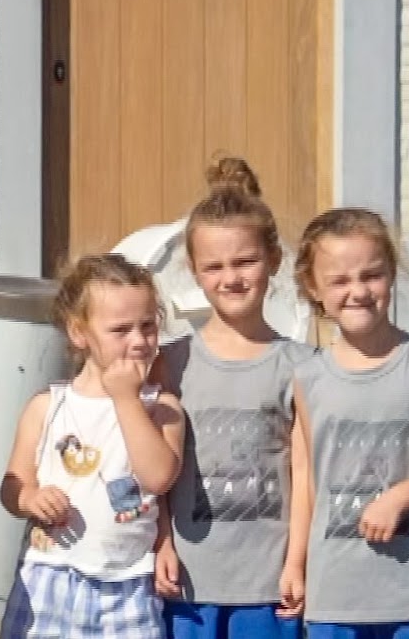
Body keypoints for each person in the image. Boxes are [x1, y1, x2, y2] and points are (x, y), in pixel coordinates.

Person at [291, 208, 409, 639]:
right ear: (313, 288)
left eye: (371, 275)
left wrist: (400, 498)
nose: (357, 291)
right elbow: (308, 482)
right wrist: (297, 564)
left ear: (391, 275)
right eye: (339, 280)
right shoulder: (307, 376)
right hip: (337, 591)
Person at [153, 157, 314, 639]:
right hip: (189, 582)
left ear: (274, 260)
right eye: (214, 266)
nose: (231, 278)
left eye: (245, 261)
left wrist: (297, 562)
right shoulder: (171, 361)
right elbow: (156, 469)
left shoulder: (302, 365)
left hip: (268, 587)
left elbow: (305, 472)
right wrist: (161, 540)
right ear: (195, 273)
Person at [0, 254, 186, 639]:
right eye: (120, 330)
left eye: (148, 326)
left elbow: (159, 478)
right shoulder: (48, 407)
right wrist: (30, 497)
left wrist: (126, 400)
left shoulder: (161, 408)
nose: (138, 341)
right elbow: (11, 485)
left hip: (129, 582)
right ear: (79, 333)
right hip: (52, 575)